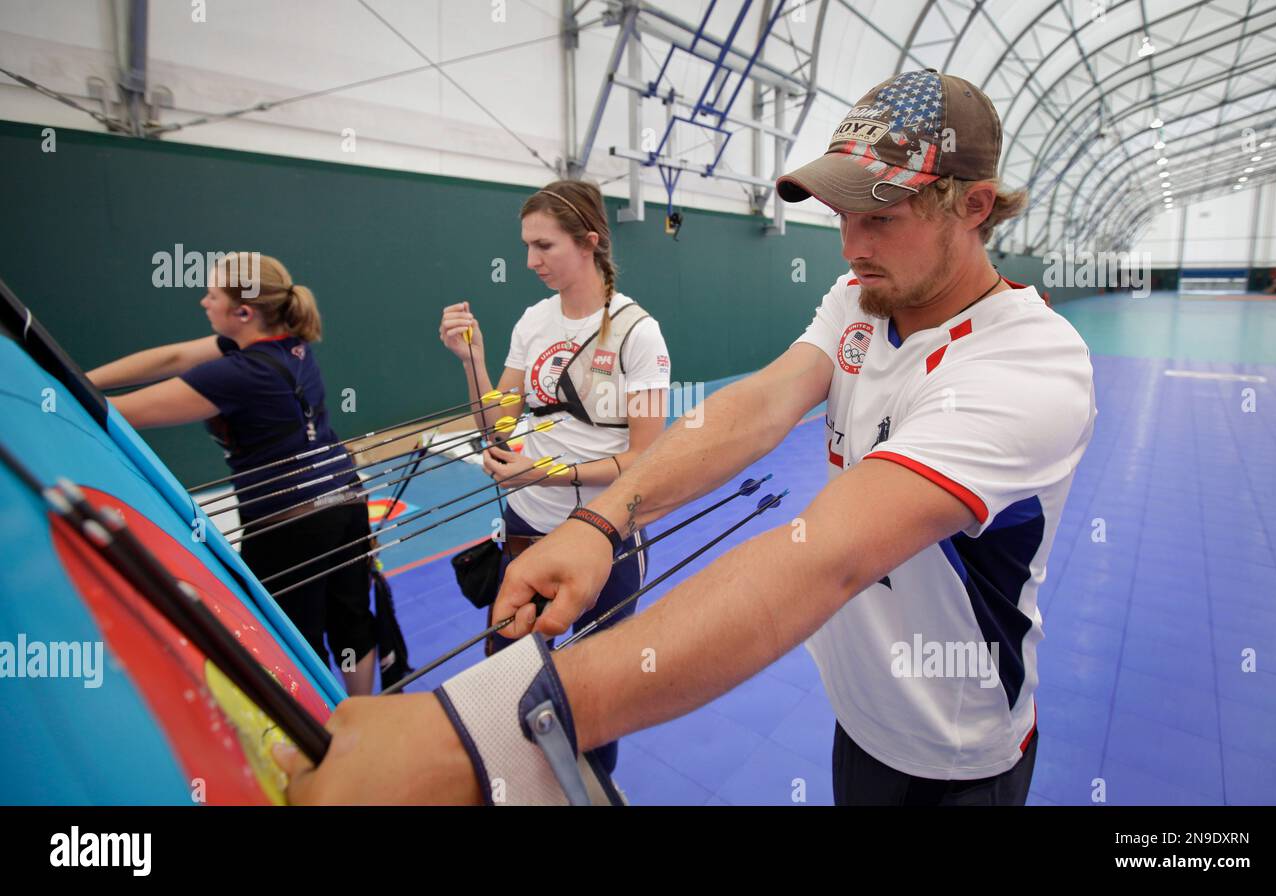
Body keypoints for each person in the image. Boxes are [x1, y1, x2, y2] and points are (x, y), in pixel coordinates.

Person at [275, 70, 1097, 806]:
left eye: (881, 215)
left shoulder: (1027, 366)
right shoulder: (861, 298)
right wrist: (606, 520)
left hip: (956, 757)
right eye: (843, 215)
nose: (850, 246)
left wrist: (485, 728)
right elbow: (760, 405)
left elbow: (829, 554)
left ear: (975, 206)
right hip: (866, 723)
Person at [436, 179, 672, 773]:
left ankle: (590, 784)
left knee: (596, 691)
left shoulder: (637, 332)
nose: (531, 261)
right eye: (526, 246)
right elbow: (499, 420)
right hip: (527, 526)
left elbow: (646, 459)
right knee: (507, 666)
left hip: (601, 535)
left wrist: (546, 472)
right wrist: (475, 361)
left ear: (588, 241)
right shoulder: (533, 321)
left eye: (544, 246)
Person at [88, 252, 379, 696]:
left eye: (212, 295)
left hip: (290, 524)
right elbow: (173, 356)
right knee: (351, 616)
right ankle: (364, 716)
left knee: (291, 636)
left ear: (243, 313)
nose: (204, 302)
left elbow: (119, 414)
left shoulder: (234, 375)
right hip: (346, 500)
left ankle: (322, 731)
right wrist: (77, 376)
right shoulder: (289, 341)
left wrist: (56, 389)